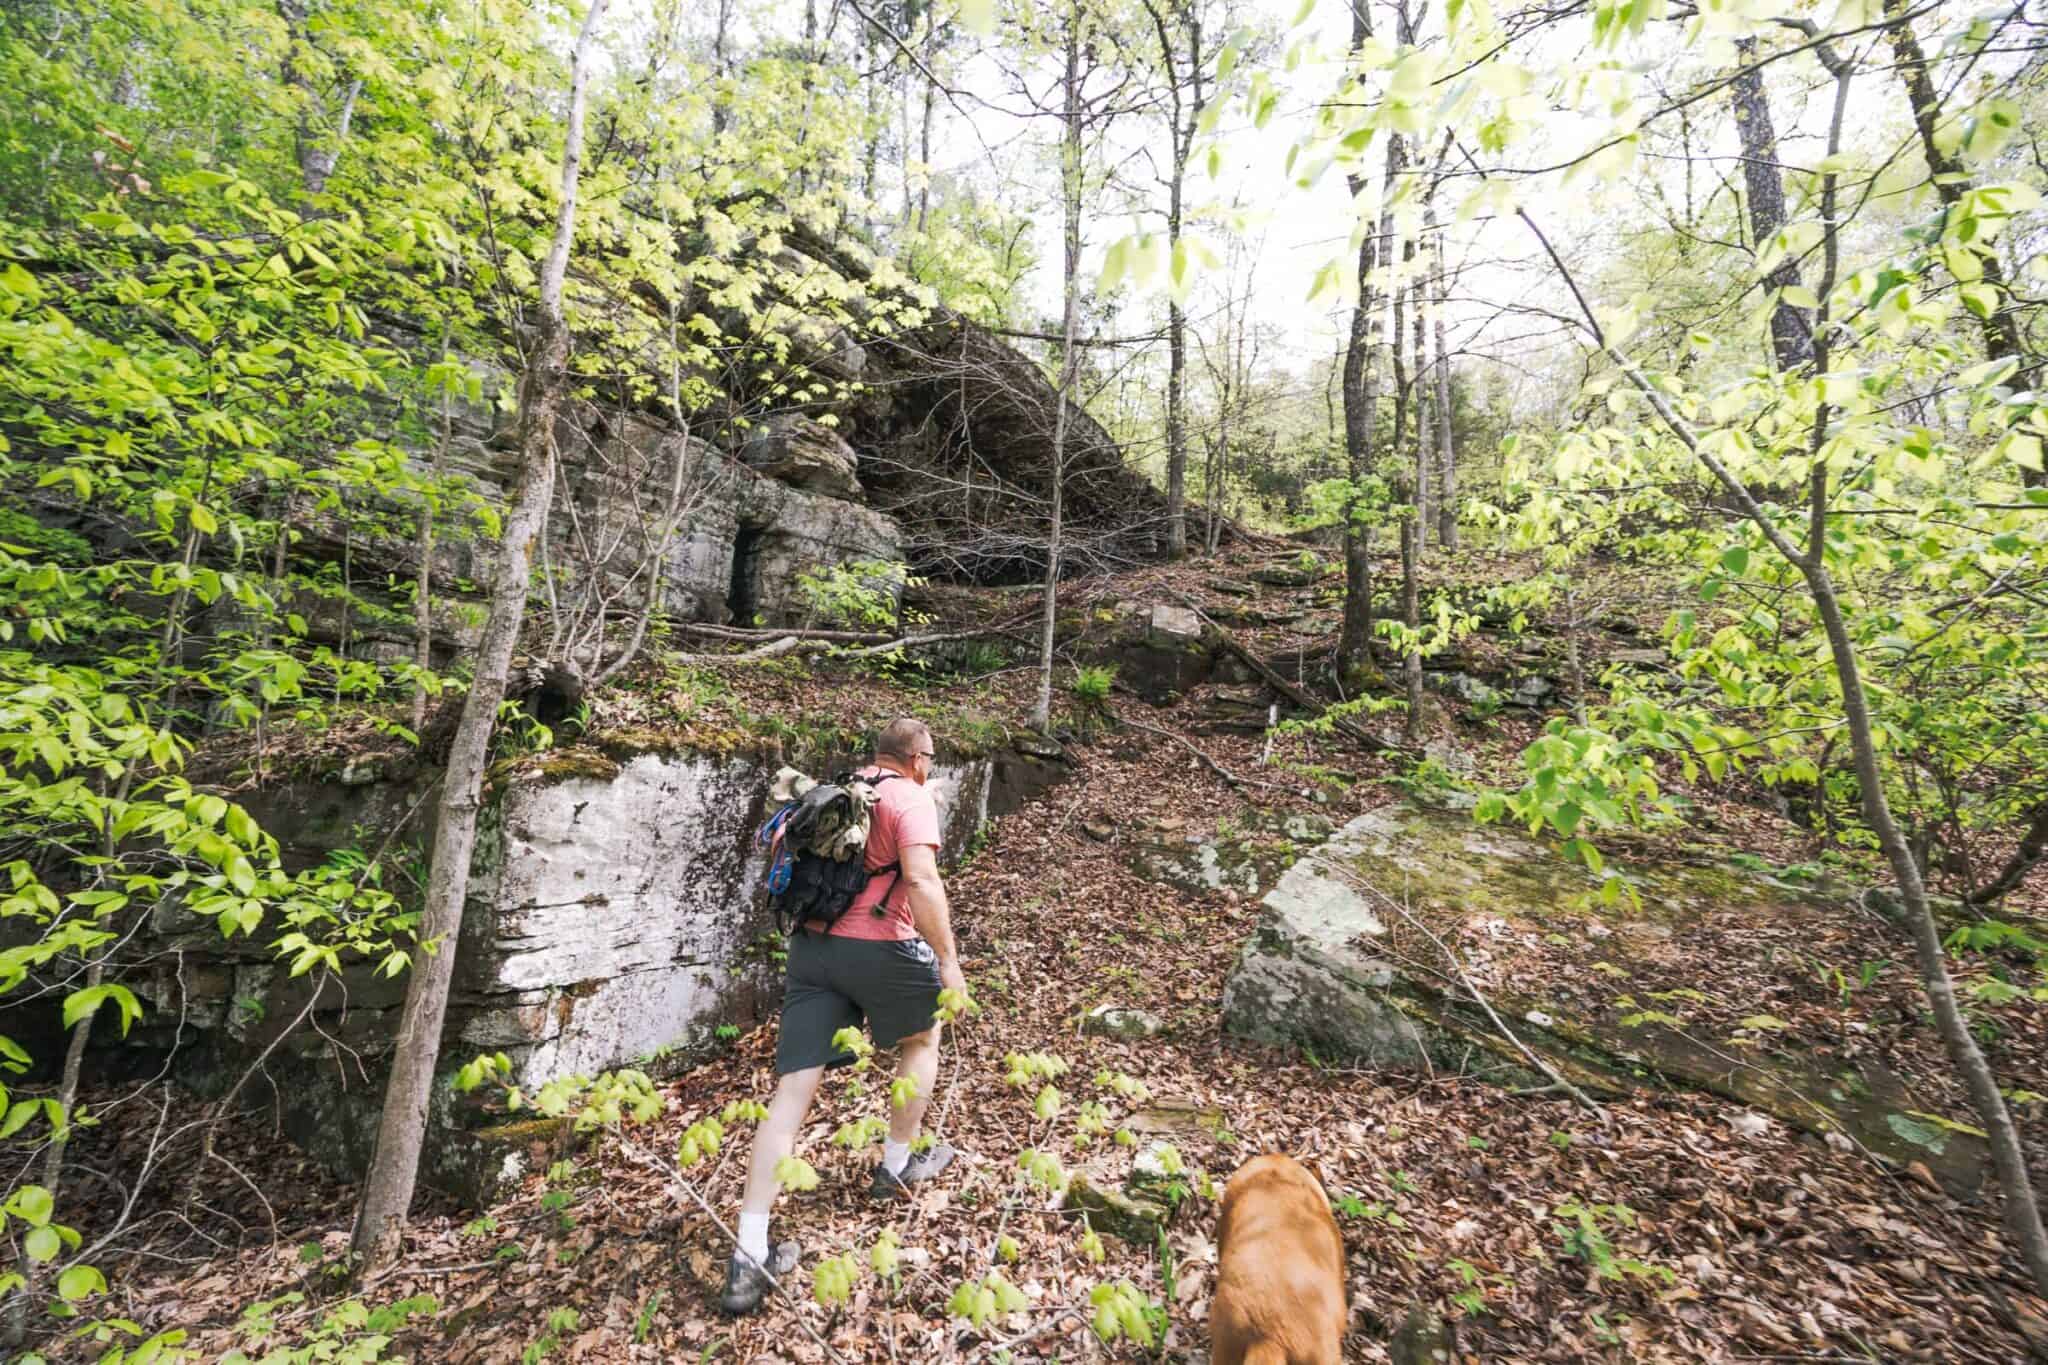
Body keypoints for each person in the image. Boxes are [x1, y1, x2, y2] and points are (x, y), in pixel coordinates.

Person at [720, 717, 969, 1315]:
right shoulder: (910, 795)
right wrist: (949, 960)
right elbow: (921, 878)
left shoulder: (840, 786)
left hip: (812, 947)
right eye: (929, 756)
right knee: (922, 1036)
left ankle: (749, 1255)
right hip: (880, 945)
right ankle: (897, 1164)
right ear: (915, 756)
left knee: (793, 1089)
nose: (929, 765)